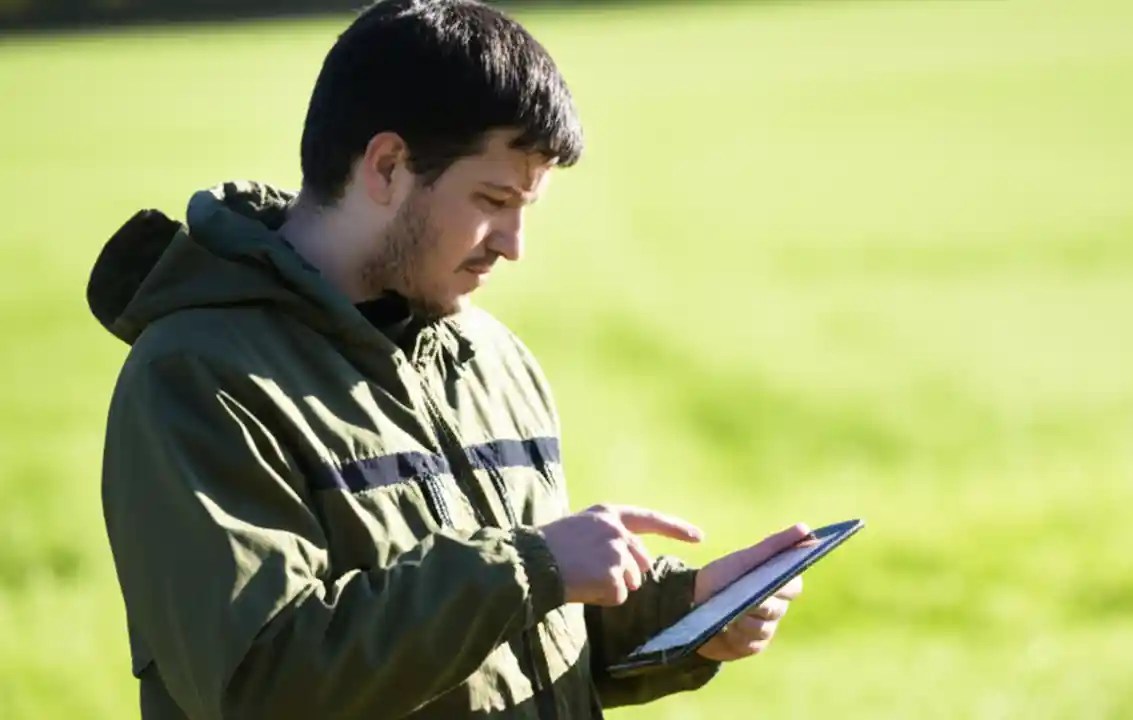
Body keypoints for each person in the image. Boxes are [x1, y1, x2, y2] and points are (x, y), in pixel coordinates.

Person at [87, 1, 806, 717]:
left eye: (526, 208)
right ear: (387, 166)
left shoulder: (494, 360)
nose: (513, 244)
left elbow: (513, 645)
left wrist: (686, 614)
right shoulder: (196, 379)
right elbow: (267, 679)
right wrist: (534, 565)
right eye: (493, 199)